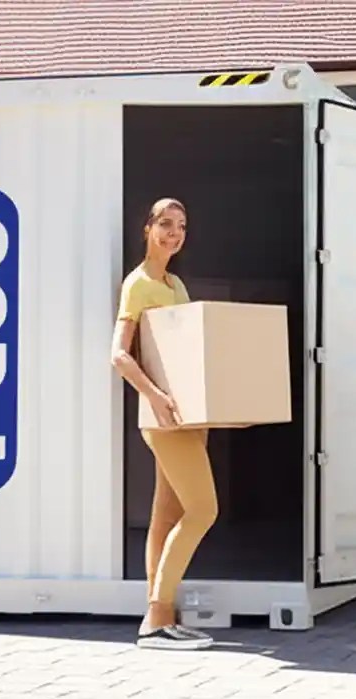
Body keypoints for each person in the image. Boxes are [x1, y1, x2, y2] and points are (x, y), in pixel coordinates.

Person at [109, 197, 219, 651]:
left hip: (188, 417)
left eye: (182, 226)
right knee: (203, 510)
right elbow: (118, 354)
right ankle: (156, 619)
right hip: (163, 418)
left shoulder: (175, 284)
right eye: (166, 224)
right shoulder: (139, 284)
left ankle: (163, 618)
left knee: (166, 515)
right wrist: (153, 396)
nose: (175, 233)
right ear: (147, 229)